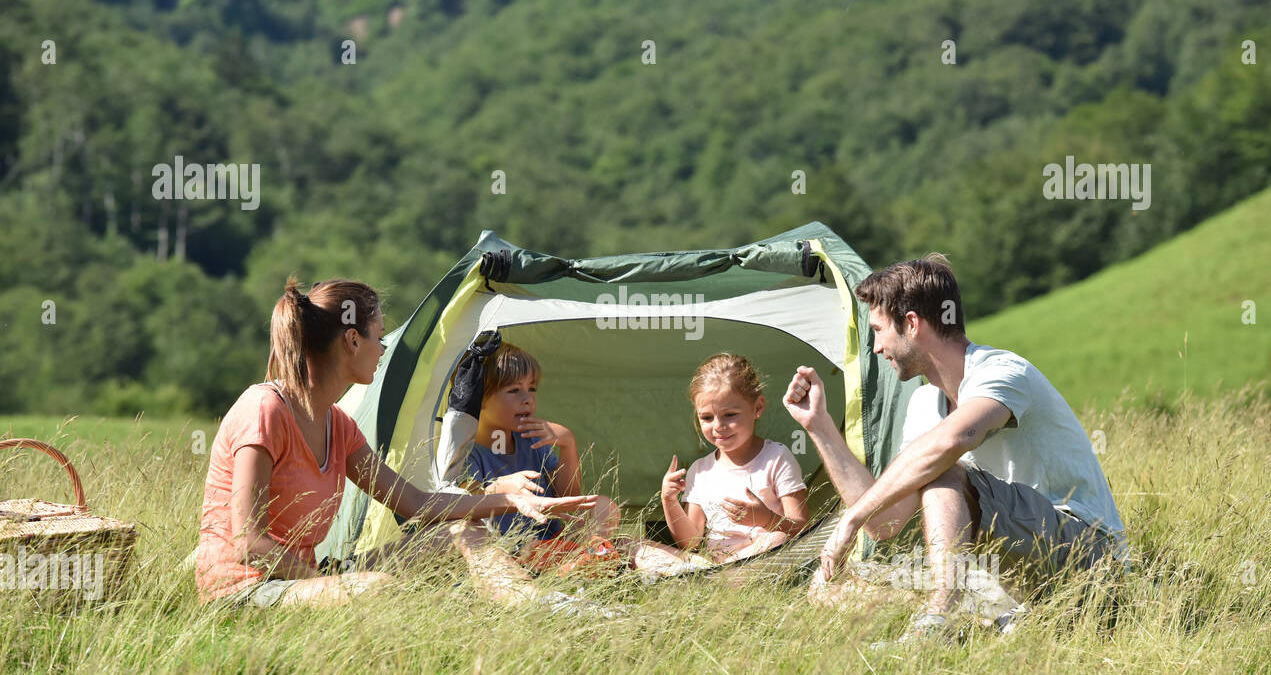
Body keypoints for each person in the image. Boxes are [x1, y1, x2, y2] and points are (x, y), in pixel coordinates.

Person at [782, 255, 1128, 642]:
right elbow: (886, 522)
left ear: (912, 324)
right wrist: (820, 427)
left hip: (1086, 554)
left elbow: (954, 441)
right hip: (1003, 562)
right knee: (833, 587)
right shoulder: (922, 405)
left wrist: (850, 520)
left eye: (879, 331)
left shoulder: (1003, 371)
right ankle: (1001, 620)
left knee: (944, 469)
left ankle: (939, 622)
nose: (877, 348)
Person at [196, 277, 599, 609]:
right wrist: (325, 582)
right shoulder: (264, 410)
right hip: (246, 590)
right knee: (379, 588)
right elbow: (249, 542)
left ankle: (541, 606)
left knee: (462, 532)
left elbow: (417, 505)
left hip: (306, 578)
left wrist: (513, 501)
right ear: (352, 340)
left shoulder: (339, 425)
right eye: (379, 336)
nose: (383, 348)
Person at [457, 341, 621, 574]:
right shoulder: (468, 451)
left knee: (604, 506)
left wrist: (567, 443)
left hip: (550, 540)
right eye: (514, 390)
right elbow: (464, 505)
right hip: (508, 551)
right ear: (479, 397)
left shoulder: (531, 440)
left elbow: (569, 496)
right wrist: (499, 488)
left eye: (531, 389)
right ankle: (574, 568)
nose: (527, 399)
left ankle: (587, 558)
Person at [653, 354, 810, 573]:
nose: (718, 426)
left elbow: (801, 528)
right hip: (710, 566)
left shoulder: (776, 458)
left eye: (729, 415)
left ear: (758, 407)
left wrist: (766, 518)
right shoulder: (700, 470)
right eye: (707, 418)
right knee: (632, 546)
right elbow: (690, 543)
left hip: (759, 560)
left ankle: (708, 579)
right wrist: (669, 500)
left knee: (777, 539)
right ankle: (709, 577)